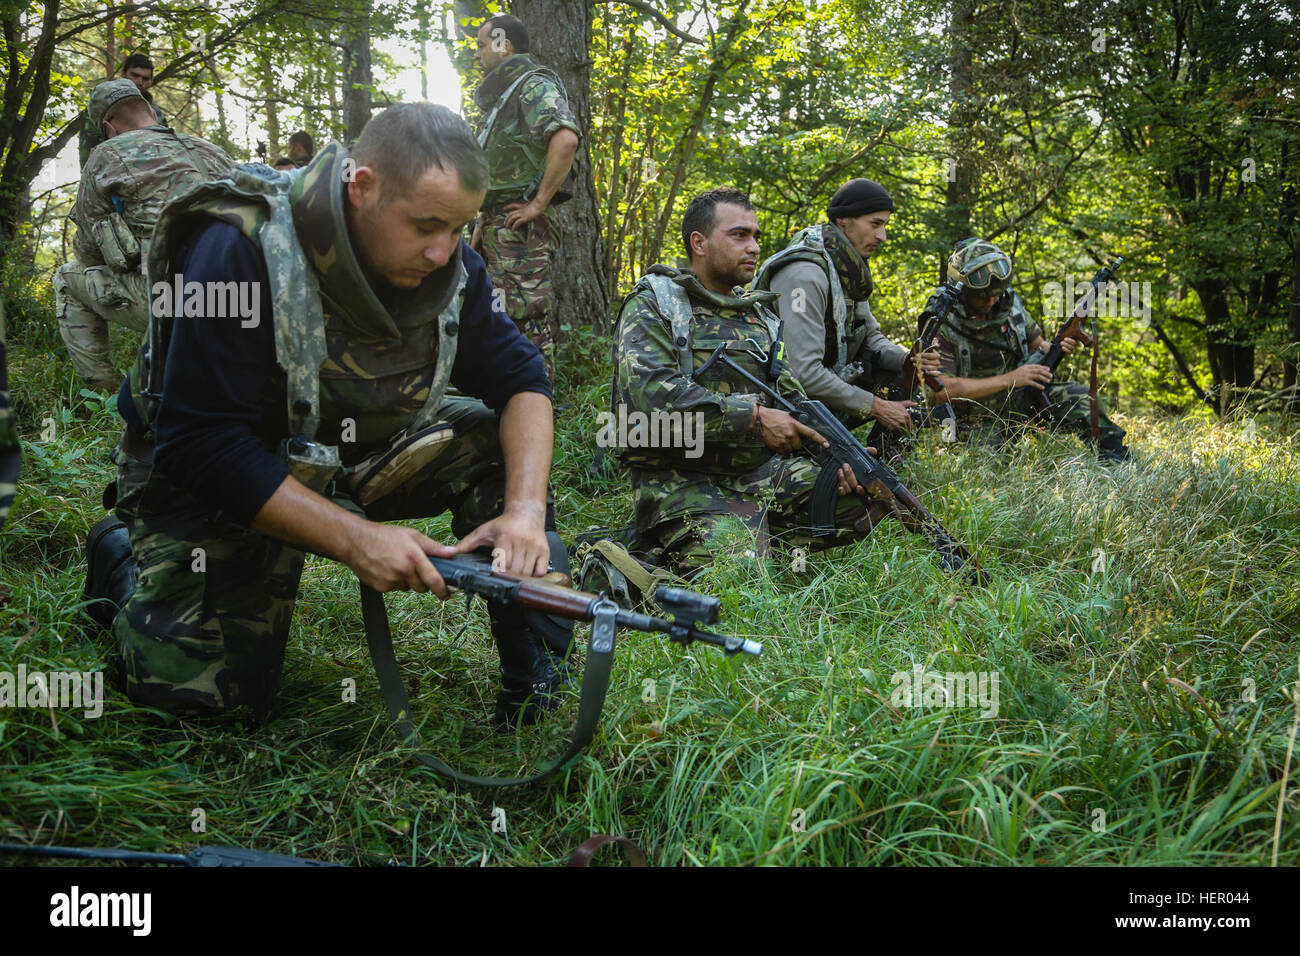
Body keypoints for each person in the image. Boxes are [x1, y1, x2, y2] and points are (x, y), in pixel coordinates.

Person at [82, 103, 571, 729]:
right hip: (225, 474)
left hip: (352, 450)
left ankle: (531, 679)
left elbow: (523, 380)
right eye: (426, 225)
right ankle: (123, 559)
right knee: (204, 709)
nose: (441, 251)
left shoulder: (452, 264)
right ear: (361, 187)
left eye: (458, 228)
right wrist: (357, 540)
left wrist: (524, 510)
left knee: (496, 442)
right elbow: (201, 443)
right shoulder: (240, 245)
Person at [611, 188, 892, 575]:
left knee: (863, 500)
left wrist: (834, 457)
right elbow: (649, 402)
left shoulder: (758, 315)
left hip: (757, 475)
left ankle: (747, 542)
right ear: (700, 242)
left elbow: (793, 400)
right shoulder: (656, 304)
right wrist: (754, 419)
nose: (755, 247)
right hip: (681, 478)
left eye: (756, 236)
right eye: (739, 235)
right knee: (740, 581)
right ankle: (641, 556)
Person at [55, 79, 233, 392]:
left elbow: (87, 249)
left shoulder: (107, 154)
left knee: (68, 279)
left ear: (109, 127)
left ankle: (100, 396)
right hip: (242, 297)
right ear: (149, 110)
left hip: (176, 302)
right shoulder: (214, 152)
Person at [753, 178, 938, 432]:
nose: (882, 236)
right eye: (875, 224)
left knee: (901, 379)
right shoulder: (804, 275)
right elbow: (803, 373)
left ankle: (886, 458)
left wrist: (908, 359)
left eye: (885, 225)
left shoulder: (846, 267)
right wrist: (876, 406)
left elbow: (870, 336)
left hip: (814, 391)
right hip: (777, 403)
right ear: (843, 220)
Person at [925, 239, 1132, 463]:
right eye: (981, 296)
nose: (991, 301)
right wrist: (1012, 379)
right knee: (982, 469)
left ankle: (1117, 462)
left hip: (1019, 400)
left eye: (995, 294)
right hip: (969, 419)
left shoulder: (1008, 304)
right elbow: (941, 391)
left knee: (1082, 399)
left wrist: (1057, 348)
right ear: (962, 290)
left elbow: (1038, 344)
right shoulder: (941, 320)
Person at [470, 14, 580, 383]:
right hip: (498, 225)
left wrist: (537, 203)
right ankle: (509, 408)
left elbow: (565, 138)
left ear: (505, 45)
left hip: (520, 230)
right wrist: (482, 227)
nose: (478, 54)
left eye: (483, 44)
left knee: (524, 320)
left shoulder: (531, 86)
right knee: (496, 315)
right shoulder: (508, 94)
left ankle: (539, 411)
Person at [79, 53, 167, 166]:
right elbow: (88, 152)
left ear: (151, 81)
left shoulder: (157, 113)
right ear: (123, 74)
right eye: (135, 75)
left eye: (145, 78)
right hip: (112, 173)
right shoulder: (102, 108)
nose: (140, 82)